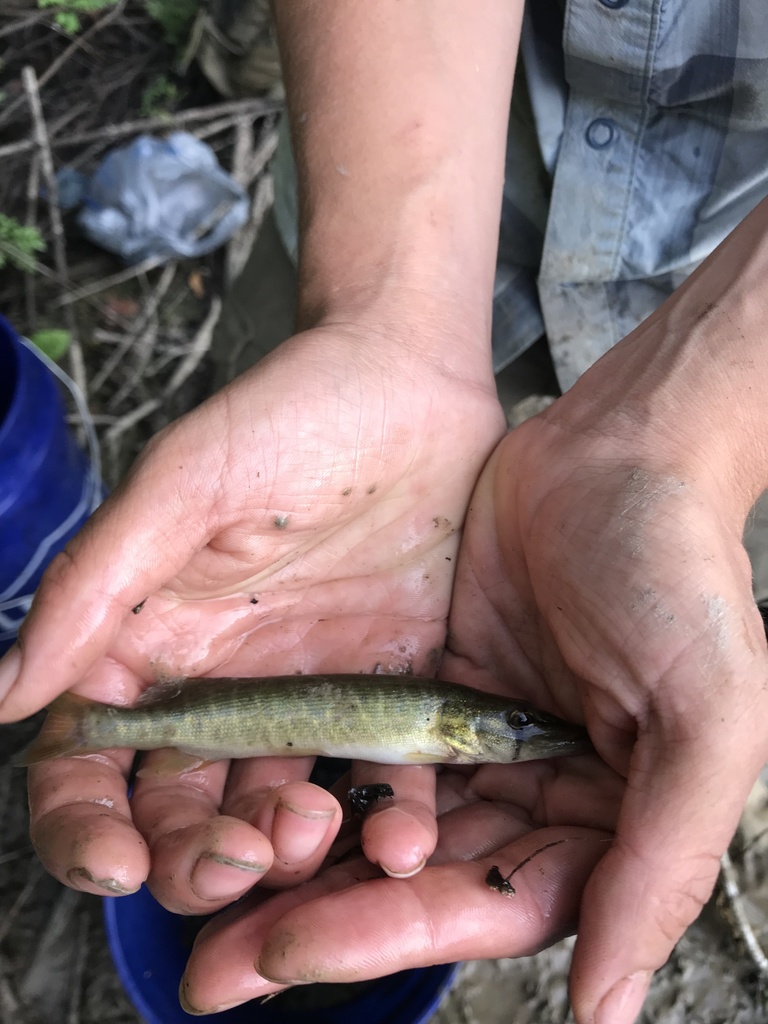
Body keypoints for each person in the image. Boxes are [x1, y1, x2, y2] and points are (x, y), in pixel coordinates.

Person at [2, 2, 768, 1022]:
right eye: (503, 732)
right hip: (420, 145)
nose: (521, 738)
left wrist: (698, 436)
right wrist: (379, 315)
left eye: (508, 734)